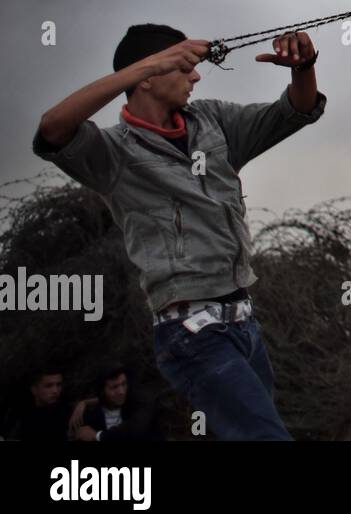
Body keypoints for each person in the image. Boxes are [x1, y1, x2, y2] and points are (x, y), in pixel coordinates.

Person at [33, 24, 326, 440]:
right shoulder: (113, 153)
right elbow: (52, 129)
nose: (196, 76)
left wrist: (304, 67)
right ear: (147, 76)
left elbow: (295, 110)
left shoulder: (214, 121)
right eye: (184, 68)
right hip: (192, 335)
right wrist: (146, 65)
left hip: (244, 325)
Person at [71, 366, 163, 442]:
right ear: (103, 391)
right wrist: (84, 402)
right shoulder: (93, 413)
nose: (121, 391)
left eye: (124, 384)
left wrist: (97, 436)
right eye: (114, 387)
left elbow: (135, 429)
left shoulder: (140, 402)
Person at [2, 369, 73, 441]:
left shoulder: (67, 412)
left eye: (59, 385)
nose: (55, 391)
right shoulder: (21, 413)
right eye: (48, 386)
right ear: (34, 390)